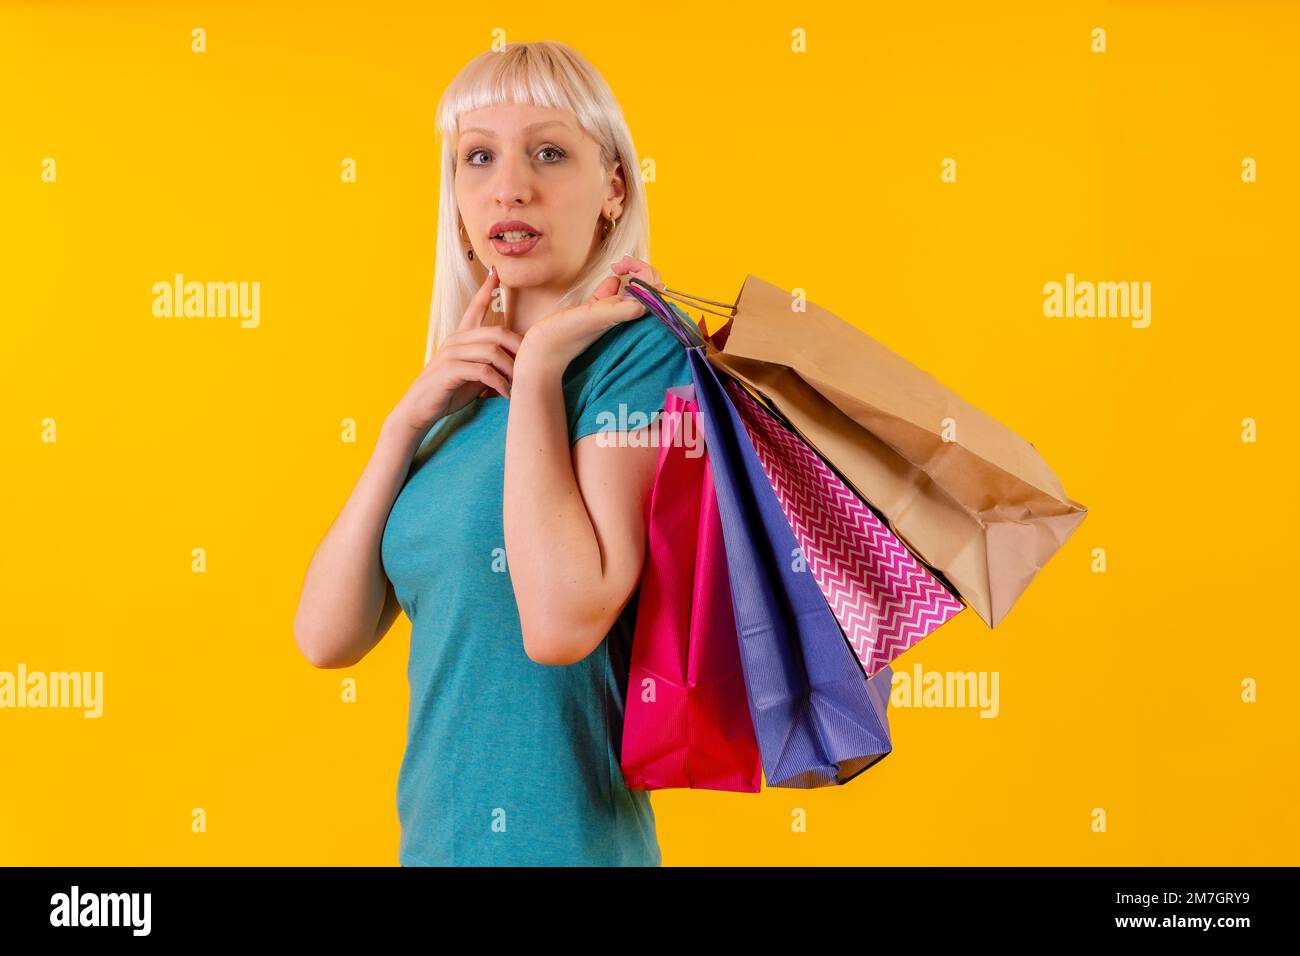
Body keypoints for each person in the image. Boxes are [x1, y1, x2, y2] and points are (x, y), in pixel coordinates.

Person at [293, 40, 698, 866]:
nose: (510, 183)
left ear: (614, 187)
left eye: (549, 151)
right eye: (478, 157)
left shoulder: (642, 358)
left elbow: (559, 625)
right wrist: (400, 429)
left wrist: (545, 367)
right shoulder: (458, 393)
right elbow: (324, 637)